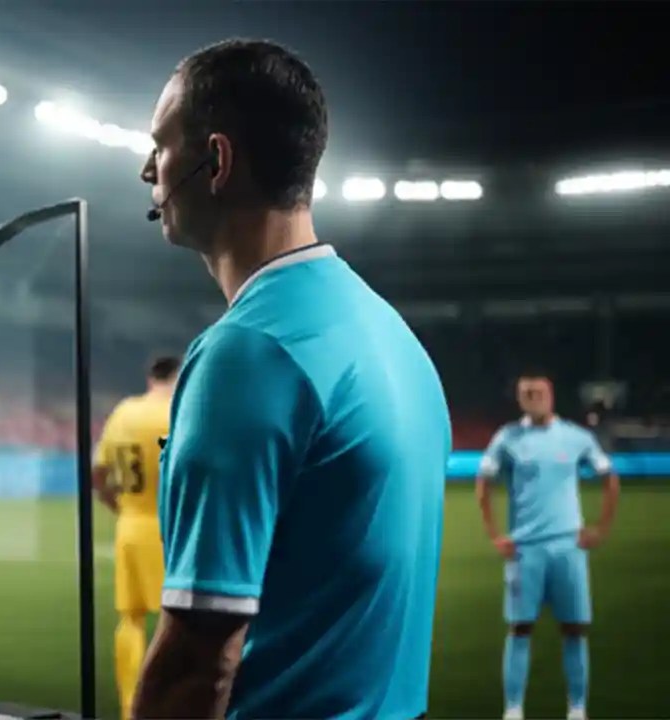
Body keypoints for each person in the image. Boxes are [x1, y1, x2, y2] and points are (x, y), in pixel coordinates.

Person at [131, 39, 450, 720]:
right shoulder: (393, 336)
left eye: (160, 146)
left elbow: (199, 660)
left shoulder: (248, 353)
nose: (147, 170)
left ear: (215, 162)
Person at [476, 372, 620, 720]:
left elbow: (609, 478)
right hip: (525, 549)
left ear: (551, 395)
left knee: (574, 628)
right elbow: (484, 482)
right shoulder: (508, 437)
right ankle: (513, 709)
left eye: (538, 392)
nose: (533, 398)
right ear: (519, 399)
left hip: (567, 547)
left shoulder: (575, 437)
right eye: (527, 393)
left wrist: (599, 528)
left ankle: (577, 708)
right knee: (520, 627)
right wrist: (496, 535)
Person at [91, 355, 180, 720]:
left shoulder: (124, 412)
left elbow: (99, 473)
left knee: (129, 618)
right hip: (166, 526)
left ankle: (132, 707)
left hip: (129, 525)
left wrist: (118, 506)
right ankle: (168, 704)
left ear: (149, 378)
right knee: (174, 622)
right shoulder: (176, 413)